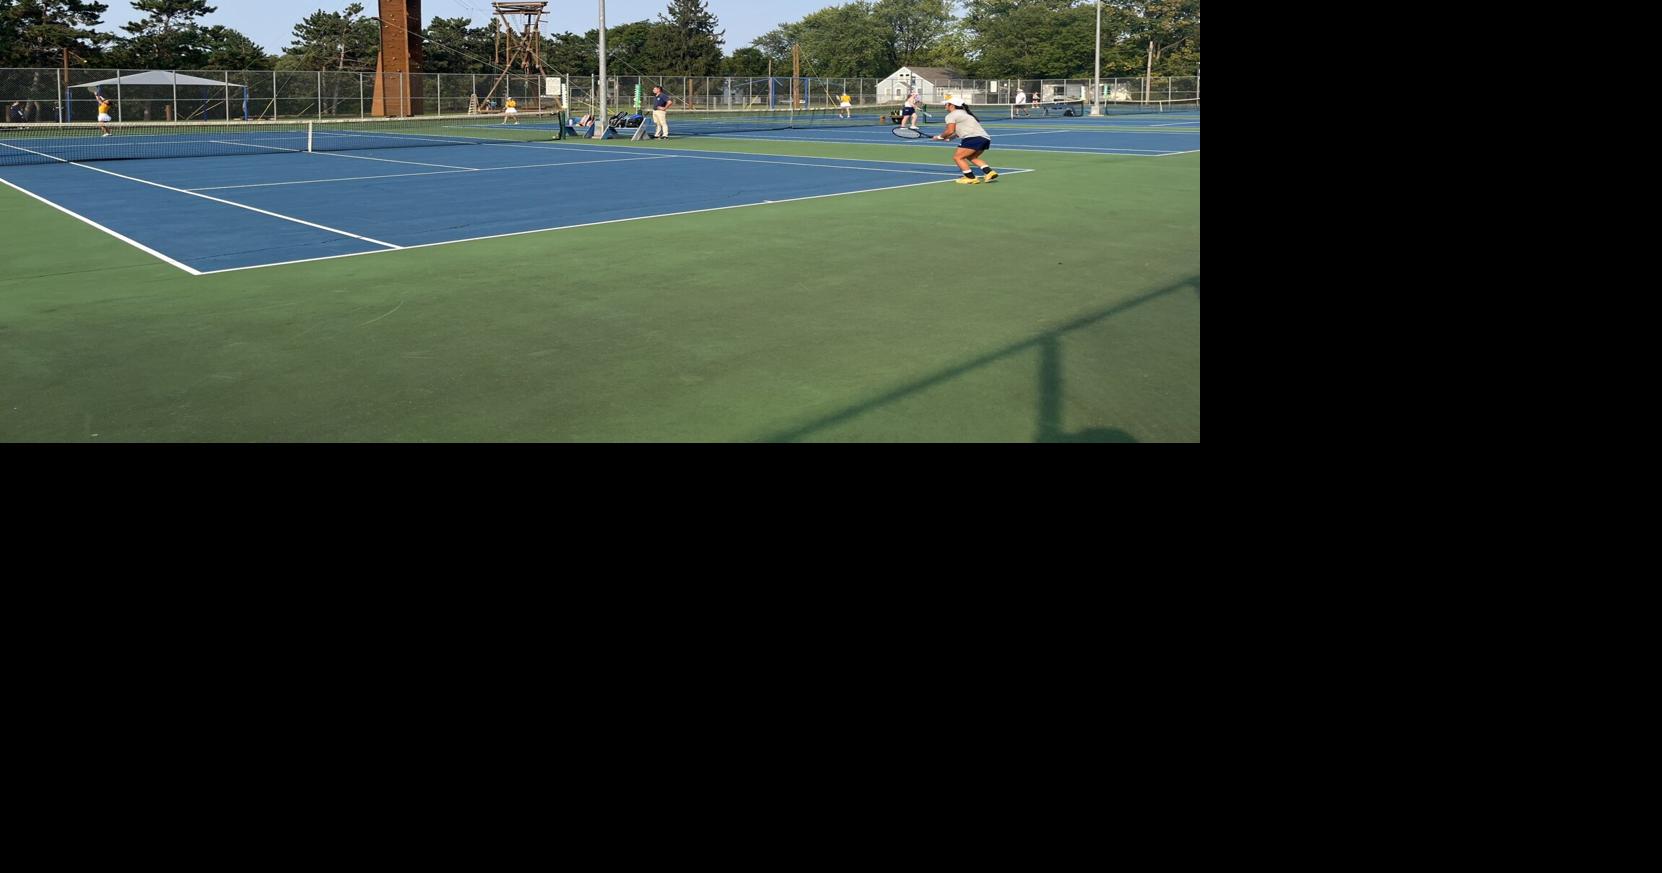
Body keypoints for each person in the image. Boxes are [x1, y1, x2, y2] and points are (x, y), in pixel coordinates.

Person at [933, 96, 998, 185]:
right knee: (972, 157)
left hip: (973, 139)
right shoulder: (965, 114)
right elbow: (959, 130)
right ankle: (989, 172)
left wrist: (939, 137)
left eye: (946, 104)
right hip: (985, 139)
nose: (945, 105)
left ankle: (970, 177)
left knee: (958, 157)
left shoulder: (951, 115)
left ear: (951, 105)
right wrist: (950, 138)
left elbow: (949, 131)